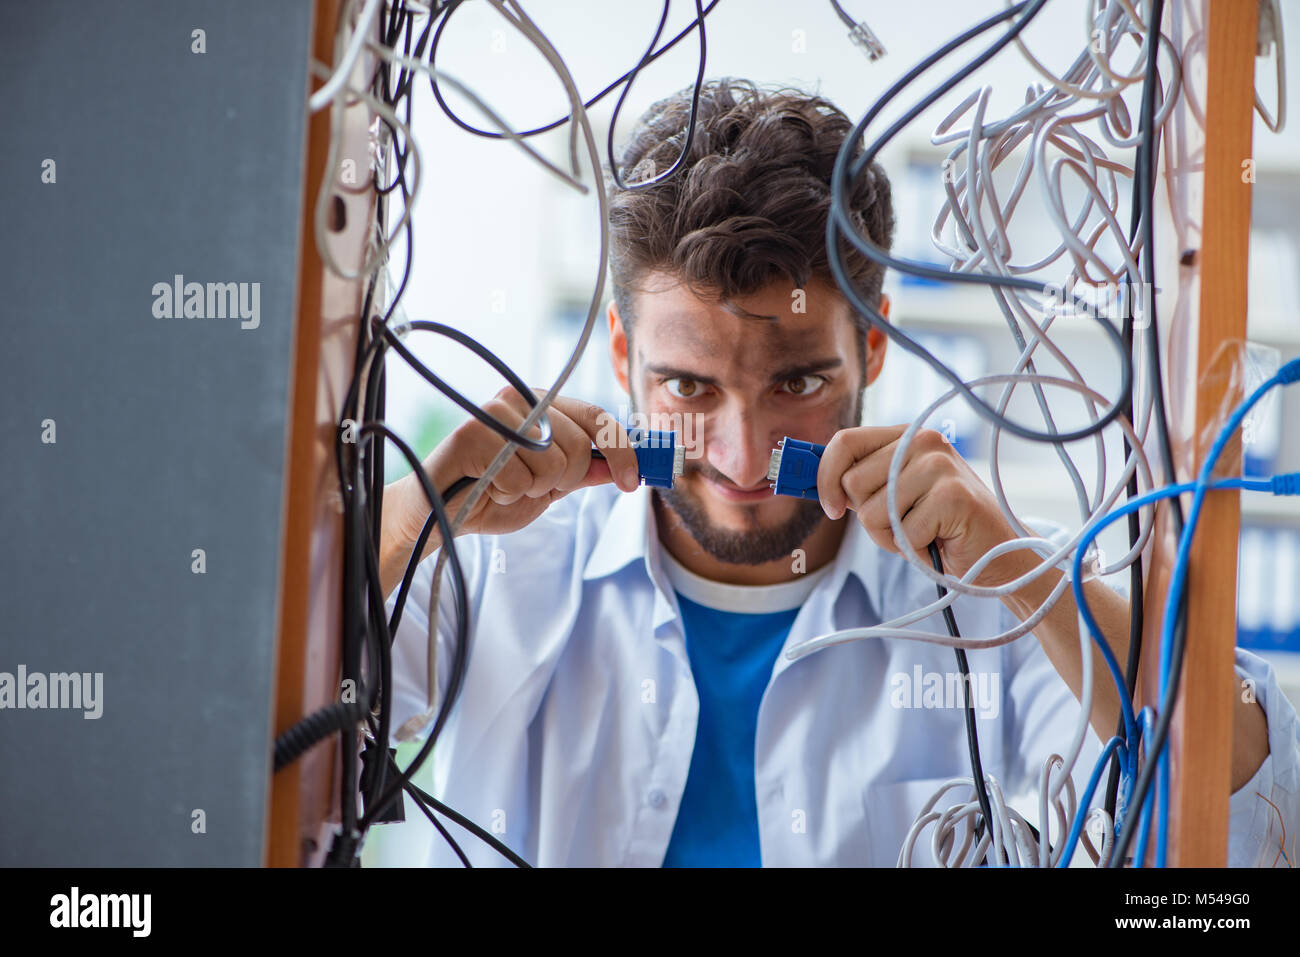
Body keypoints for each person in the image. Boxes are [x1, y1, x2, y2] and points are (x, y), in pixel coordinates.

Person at [376, 77, 1297, 867]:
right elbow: (259, 714)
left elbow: (1250, 829)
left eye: (800, 381)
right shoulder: (499, 565)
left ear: (875, 342)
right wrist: (408, 521)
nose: (741, 457)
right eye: (688, 386)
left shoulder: (989, 587)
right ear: (622, 355)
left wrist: (1028, 577)